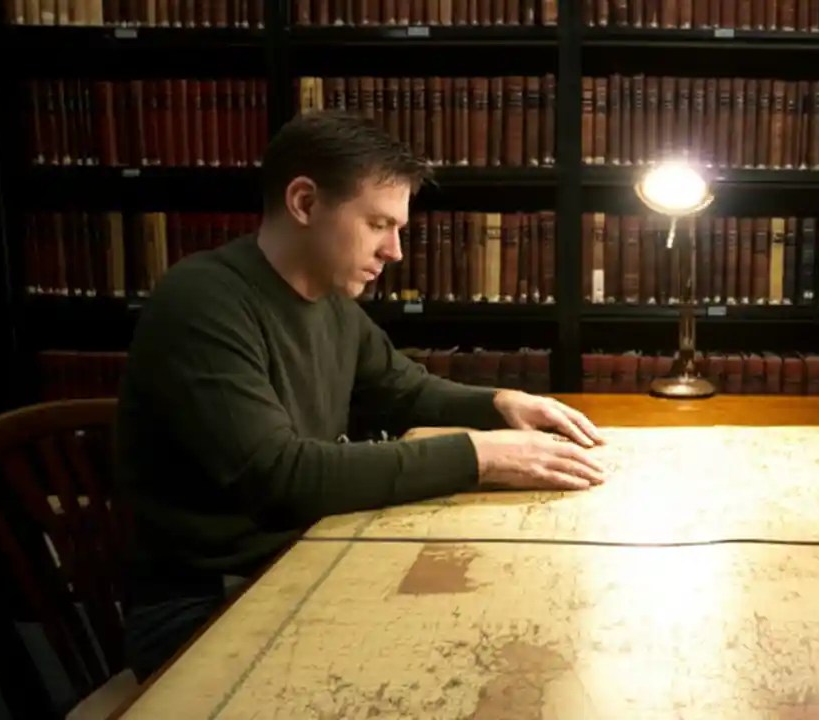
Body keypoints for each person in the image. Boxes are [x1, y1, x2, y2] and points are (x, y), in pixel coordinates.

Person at [115, 110, 606, 681]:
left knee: (504, 626)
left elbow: (403, 389)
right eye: (378, 224)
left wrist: (501, 403)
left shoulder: (329, 299)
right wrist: (483, 456)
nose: (395, 251)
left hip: (294, 563)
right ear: (304, 203)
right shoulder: (202, 302)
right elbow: (281, 477)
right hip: (203, 607)